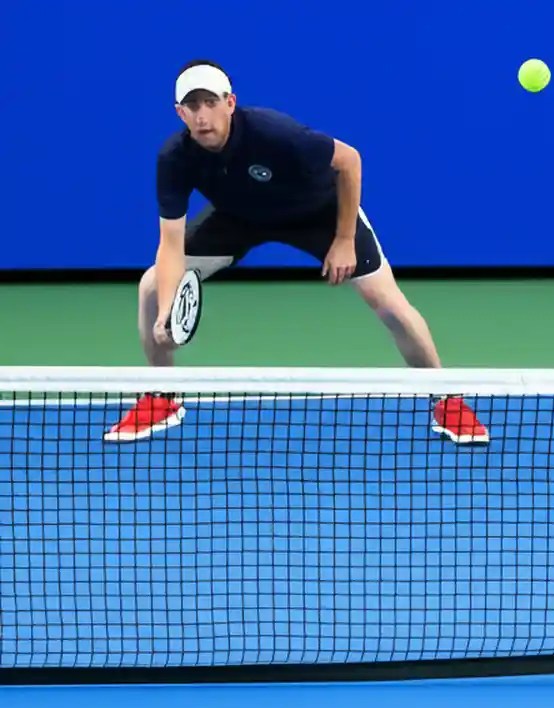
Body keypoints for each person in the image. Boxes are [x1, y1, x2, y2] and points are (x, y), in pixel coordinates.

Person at [104, 60, 488, 446]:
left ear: (230, 103)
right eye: (192, 106)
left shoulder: (275, 134)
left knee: (388, 304)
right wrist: (168, 313)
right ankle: (163, 395)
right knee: (152, 287)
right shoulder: (175, 157)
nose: (203, 116)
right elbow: (170, 245)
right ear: (180, 113)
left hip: (318, 213)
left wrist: (342, 239)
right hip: (239, 218)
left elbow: (349, 161)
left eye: (210, 102)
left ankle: (447, 399)